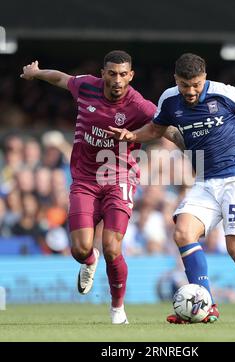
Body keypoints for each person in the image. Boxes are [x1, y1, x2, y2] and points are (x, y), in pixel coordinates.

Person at [108, 53, 235, 323]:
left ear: (204, 78)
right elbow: (157, 130)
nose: (191, 91)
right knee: (183, 232)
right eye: (185, 85)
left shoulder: (226, 94)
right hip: (205, 181)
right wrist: (133, 136)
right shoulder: (170, 99)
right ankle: (205, 305)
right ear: (176, 80)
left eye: (196, 84)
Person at [20, 50, 184, 324]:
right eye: (112, 73)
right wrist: (36, 74)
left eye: (123, 74)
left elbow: (167, 131)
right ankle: (88, 260)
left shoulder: (140, 106)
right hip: (84, 180)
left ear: (130, 76)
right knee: (80, 249)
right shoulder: (86, 86)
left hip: (119, 178)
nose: (117, 80)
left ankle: (117, 309)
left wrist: (195, 143)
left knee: (112, 247)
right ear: (103, 73)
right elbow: (61, 79)